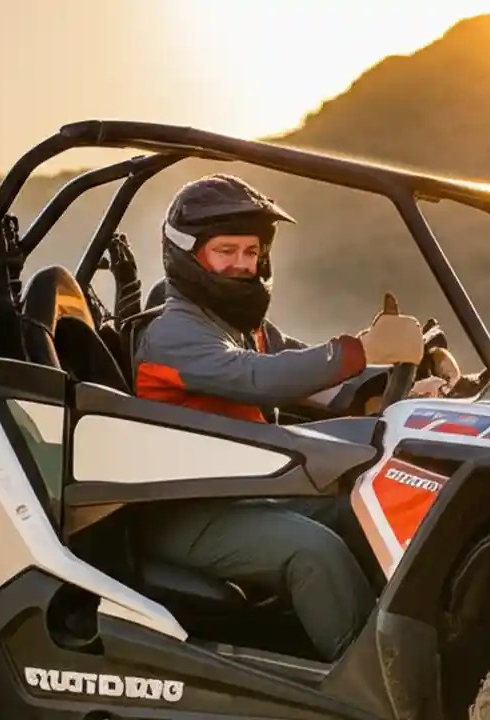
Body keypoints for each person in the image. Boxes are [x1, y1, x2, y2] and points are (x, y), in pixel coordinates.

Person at [130, 174, 426, 661]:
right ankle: (372, 685)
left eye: (252, 252)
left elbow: (312, 376)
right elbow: (258, 379)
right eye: (227, 251)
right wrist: (362, 348)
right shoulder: (172, 332)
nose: (243, 265)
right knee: (314, 551)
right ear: (188, 254)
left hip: (244, 492)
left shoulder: (239, 324)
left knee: (372, 508)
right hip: (186, 510)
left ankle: (420, 641)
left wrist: (398, 380)